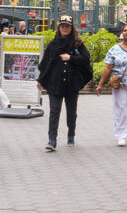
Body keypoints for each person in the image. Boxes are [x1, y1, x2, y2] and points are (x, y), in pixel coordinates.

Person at [37, 15, 93, 151]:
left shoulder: (77, 44)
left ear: (71, 28)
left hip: (71, 83)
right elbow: (46, 63)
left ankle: (71, 135)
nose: (65, 28)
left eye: (67, 26)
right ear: (59, 27)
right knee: (54, 112)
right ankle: (52, 140)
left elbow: (86, 59)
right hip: (55, 83)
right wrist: (41, 79)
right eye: (62, 26)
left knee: (71, 112)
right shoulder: (53, 44)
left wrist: (71, 58)